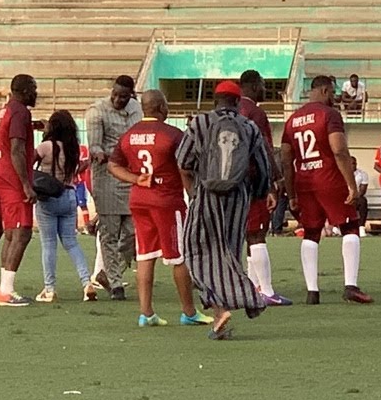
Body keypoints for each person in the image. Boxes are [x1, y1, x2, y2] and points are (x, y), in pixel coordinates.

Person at [177, 81, 272, 339]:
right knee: (229, 253)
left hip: (206, 195)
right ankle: (227, 307)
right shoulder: (249, 127)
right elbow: (263, 167)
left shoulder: (199, 123)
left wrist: (194, 190)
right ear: (238, 102)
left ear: (215, 100)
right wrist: (259, 194)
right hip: (238, 199)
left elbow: (183, 161)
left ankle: (234, 303)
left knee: (195, 251)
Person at [107, 91, 209, 325]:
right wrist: (193, 194)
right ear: (162, 107)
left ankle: (146, 313)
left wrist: (135, 179)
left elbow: (113, 165)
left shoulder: (129, 135)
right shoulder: (172, 134)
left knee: (145, 255)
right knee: (179, 256)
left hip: (139, 200)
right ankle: (189, 312)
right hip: (166, 200)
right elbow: (185, 167)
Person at [280, 75, 372, 306]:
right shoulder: (329, 115)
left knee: (311, 232)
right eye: (331, 92)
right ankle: (351, 286)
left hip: (304, 180)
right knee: (350, 226)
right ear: (323, 90)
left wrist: (291, 194)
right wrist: (351, 185)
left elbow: (286, 159)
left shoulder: (292, 120)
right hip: (329, 178)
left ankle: (312, 292)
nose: (334, 97)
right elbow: (339, 150)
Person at [237, 70, 290, 306]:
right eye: (262, 85)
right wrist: (275, 178)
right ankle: (267, 291)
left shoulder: (228, 112)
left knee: (245, 234)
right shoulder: (255, 112)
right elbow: (264, 148)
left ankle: (252, 287)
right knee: (257, 234)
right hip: (253, 180)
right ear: (253, 85)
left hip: (230, 183)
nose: (265, 90)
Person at [85, 75, 141, 300]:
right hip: (106, 175)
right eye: (115, 95)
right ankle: (116, 284)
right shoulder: (96, 111)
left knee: (133, 232)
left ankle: (106, 274)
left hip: (130, 175)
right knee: (109, 233)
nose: (118, 100)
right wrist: (101, 153)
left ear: (131, 96)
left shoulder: (136, 110)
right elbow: (95, 145)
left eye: (123, 97)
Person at [32, 111, 94, 303]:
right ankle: (86, 283)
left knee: (49, 244)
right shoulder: (72, 148)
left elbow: (27, 162)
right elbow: (76, 170)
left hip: (48, 197)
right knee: (71, 243)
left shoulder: (45, 146)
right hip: (69, 194)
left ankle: (49, 289)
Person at [0, 74, 39, 307]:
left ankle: (5, 288)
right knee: (22, 233)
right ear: (25, 91)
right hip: (12, 179)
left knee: (11, 232)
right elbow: (17, 149)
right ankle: (6, 292)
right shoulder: (20, 112)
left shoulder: (9, 109)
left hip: (1, 175)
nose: (36, 93)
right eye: (34, 88)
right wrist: (26, 185)